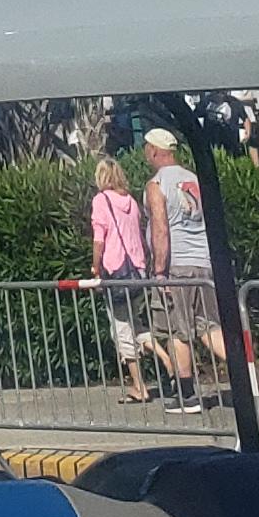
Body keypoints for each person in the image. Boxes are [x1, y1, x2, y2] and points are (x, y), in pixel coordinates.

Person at [140, 124, 222, 413]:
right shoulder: (195, 180)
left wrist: (159, 270)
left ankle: (186, 394)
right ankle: (244, 375)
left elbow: (160, 228)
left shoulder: (157, 184)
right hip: (203, 263)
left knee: (178, 330)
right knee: (208, 326)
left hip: (177, 265)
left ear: (153, 150)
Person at [90, 153, 156, 403]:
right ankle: (167, 360)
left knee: (121, 329)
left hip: (116, 271)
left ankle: (139, 386)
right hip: (137, 270)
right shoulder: (130, 200)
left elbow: (99, 239)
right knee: (137, 323)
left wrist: (95, 268)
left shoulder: (101, 201)